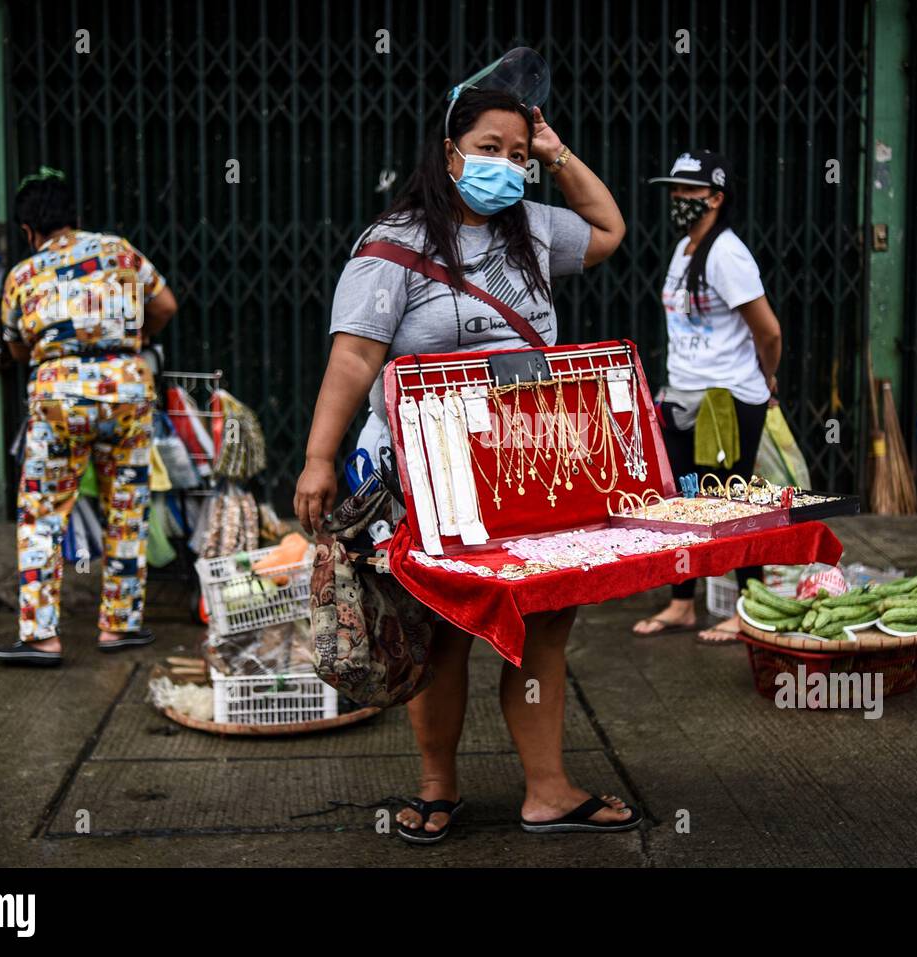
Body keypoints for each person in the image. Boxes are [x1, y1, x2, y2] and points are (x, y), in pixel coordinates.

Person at [292, 87, 633, 841]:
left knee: (543, 624)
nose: (504, 165)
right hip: (429, 469)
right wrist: (320, 457)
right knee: (444, 626)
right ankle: (438, 786)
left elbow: (610, 228)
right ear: (448, 153)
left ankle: (547, 789)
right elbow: (353, 357)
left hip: (529, 464)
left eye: (517, 155)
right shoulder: (394, 242)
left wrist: (555, 152)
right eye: (487, 148)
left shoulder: (535, 230)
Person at [0, 167, 178, 666]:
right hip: (127, 393)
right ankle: (120, 626)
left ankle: (40, 636)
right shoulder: (117, 251)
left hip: (58, 400)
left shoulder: (23, 275)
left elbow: (15, 348)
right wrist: (136, 337)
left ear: (28, 230)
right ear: (74, 217)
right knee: (127, 507)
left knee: (42, 516)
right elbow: (166, 304)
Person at [632, 150, 783, 645]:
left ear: (716, 197)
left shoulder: (727, 254)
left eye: (689, 191)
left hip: (728, 398)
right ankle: (682, 603)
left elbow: (769, 332)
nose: (678, 199)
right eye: (674, 190)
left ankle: (749, 607)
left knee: (731, 503)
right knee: (685, 500)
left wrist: (767, 378)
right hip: (684, 393)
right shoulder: (685, 249)